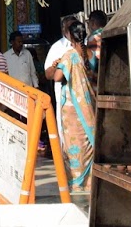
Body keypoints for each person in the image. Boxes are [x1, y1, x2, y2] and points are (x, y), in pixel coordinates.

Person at [48, 20, 96, 192]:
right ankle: (90, 182)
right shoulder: (90, 53)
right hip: (89, 107)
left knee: (74, 145)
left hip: (73, 110)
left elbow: (57, 77)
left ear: (69, 35)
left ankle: (77, 183)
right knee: (87, 144)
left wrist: (57, 65)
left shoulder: (69, 55)